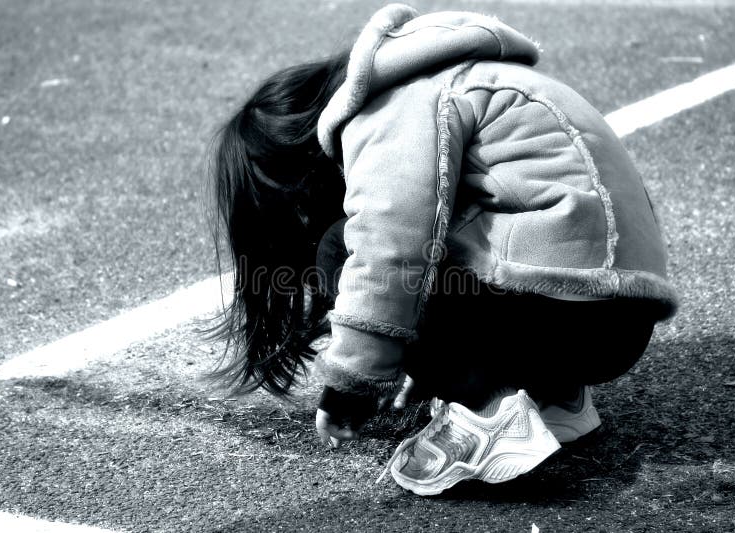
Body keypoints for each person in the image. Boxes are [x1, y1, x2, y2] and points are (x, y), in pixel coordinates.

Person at [207, 4, 678, 495]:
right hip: (619, 324)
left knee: (340, 247)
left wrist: (354, 381)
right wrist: (428, 356)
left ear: (297, 164)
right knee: (428, 242)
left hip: (564, 317)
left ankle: (487, 409)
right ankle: (554, 399)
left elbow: (389, 248)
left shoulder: (392, 105)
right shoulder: (459, 75)